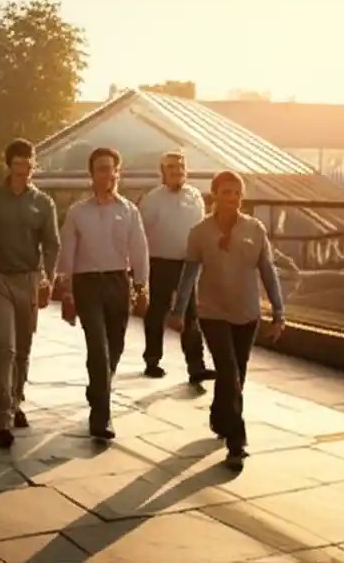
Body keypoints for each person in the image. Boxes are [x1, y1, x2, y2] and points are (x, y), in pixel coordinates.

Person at [168, 171, 286, 472]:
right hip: (212, 312)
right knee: (229, 370)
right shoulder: (200, 232)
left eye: (236, 193)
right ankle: (237, 442)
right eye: (225, 192)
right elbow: (189, 274)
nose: (231, 198)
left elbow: (268, 270)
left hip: (246, 313)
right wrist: (179, 311)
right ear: (215, 195)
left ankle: (221, 416)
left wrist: (278, 310)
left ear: (241, 198)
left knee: (236, 374)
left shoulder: (255, 229)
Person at [0, 139, 61, 449]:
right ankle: (2, 420)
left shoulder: (43, 203)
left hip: (29, 279)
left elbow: (52, 245)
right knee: (4, 347)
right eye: (19, 163)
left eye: (30, 163)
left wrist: (49, 280)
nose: (25, 169)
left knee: (23, 349)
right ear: (9, 165)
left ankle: (17, 400)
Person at [57, 147, 150, 441]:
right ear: (92, 174)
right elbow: (67, 252)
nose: (107, 174)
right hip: (87, 285)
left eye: (111, 168)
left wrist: (141, 285)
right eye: (101, 169)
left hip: (117, 283)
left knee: (115, 346)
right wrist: (67, 291)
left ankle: (98, 388)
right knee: (97, 347)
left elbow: (139, 250)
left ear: (117, 173)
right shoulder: (77, 212)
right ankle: (101, 416)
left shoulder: (129, 211)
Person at [138, 152, 215, 383]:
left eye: (181, 166)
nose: (177, 170)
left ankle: (196, 367)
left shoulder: (195, 197)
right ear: (163, 172)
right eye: (171, 167)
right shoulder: (152, 199)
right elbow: (141, 233)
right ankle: (152, 360)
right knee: (157, 312)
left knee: (190, 314)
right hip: (159, 262)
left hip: (187, 264)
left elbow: (201, 229)